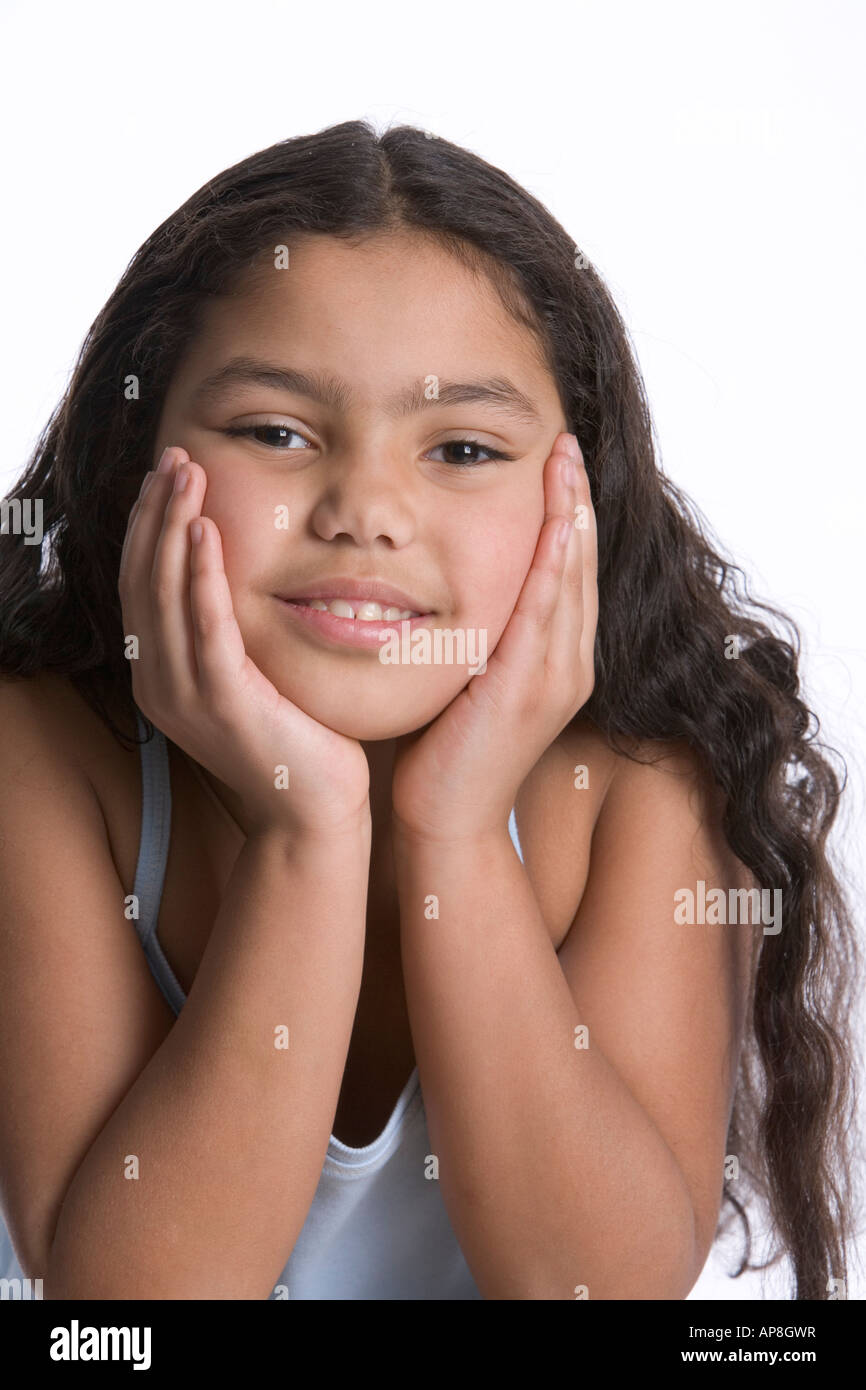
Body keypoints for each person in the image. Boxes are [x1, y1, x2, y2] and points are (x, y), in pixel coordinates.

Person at [0, 120, 859, 1301]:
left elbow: (599, 1295)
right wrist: (309, 831)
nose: (364, 509)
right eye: (276, 431)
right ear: (135, 454)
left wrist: (455, 830)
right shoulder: (45, 751)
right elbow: (126, 1312)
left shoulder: (635, 788)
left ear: (581, 499)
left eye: (459, 446)